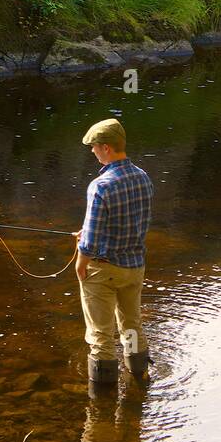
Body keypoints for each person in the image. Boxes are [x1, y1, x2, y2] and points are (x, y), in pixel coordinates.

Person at [74, 118, 153, 390]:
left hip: (104, 270)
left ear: (106, 148)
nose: (92, 151)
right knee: (131, 326)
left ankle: (102, 404)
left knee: (100, 335)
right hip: (134, 267)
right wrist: (88, 233)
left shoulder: (100, 186)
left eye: (94, 146)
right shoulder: (143, 177)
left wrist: (80, 262)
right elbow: (133, 221)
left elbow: (91, 241)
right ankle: (138, 378)